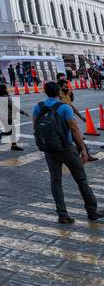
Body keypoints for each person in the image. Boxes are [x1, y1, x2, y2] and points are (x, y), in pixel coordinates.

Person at [32, 80, 103, 225]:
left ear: (45, 92)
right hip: (66, 148)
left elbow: (35, 127)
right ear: (59, 92)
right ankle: (92, 211)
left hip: (49, 150)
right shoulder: (64, 108)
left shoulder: (37, 107)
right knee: (81, 179)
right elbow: (75, 129)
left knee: (55, 181)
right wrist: (83, 149)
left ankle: (62, 215)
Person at [0, 81, 23, 151]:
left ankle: (14, 145)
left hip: (3, 117)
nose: (7, 89)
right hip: (7, 117)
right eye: (6, 88)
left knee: (11, 130)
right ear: (4, 90)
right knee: (10, 131)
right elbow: (11, 106)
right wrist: (21, 111)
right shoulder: (5, 98)